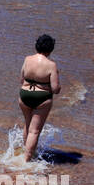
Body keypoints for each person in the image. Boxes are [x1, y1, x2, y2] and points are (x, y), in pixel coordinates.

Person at [19, 34, 60, 162]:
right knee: (34, 131)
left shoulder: (27, 59)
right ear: (50, 49)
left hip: (24, 94)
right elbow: (55, 89)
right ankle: (26, 161)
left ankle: (25, 153)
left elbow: (21, 79)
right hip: (41, 97)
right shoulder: (51, 65)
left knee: (27, 125)